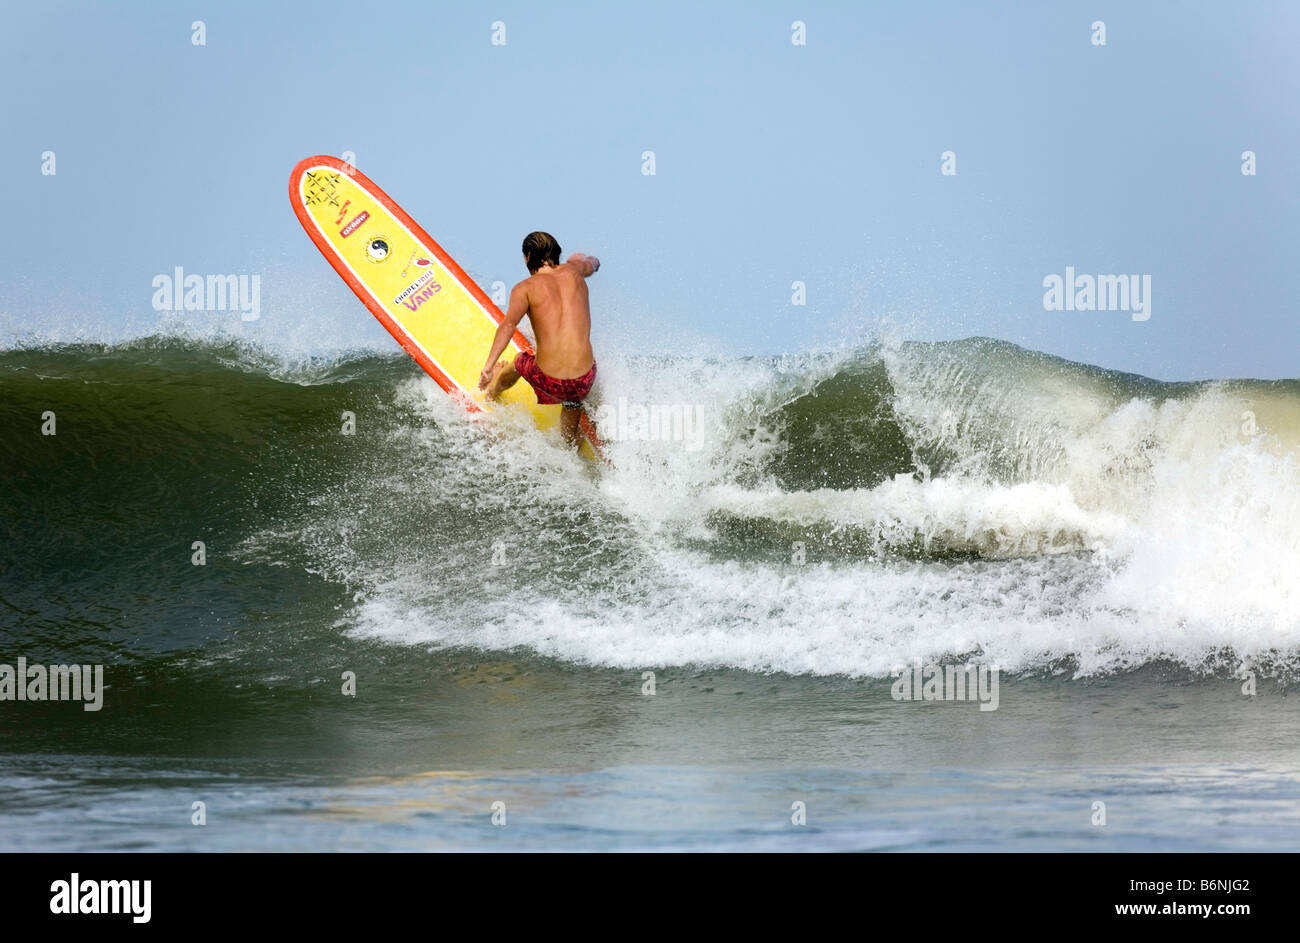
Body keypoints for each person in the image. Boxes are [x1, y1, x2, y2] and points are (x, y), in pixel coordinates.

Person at [478, 231, 599, 448]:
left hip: (550, 380)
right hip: (584, 379)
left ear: (528, 257)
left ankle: (491, 393)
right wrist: (591, 261)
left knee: (518, 361)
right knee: (572, 400)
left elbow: (508, 325)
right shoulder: (576, 270)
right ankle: (571, 444)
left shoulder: (524, 288)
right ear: (556, 252)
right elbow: (590, 263)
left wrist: (488, 366)